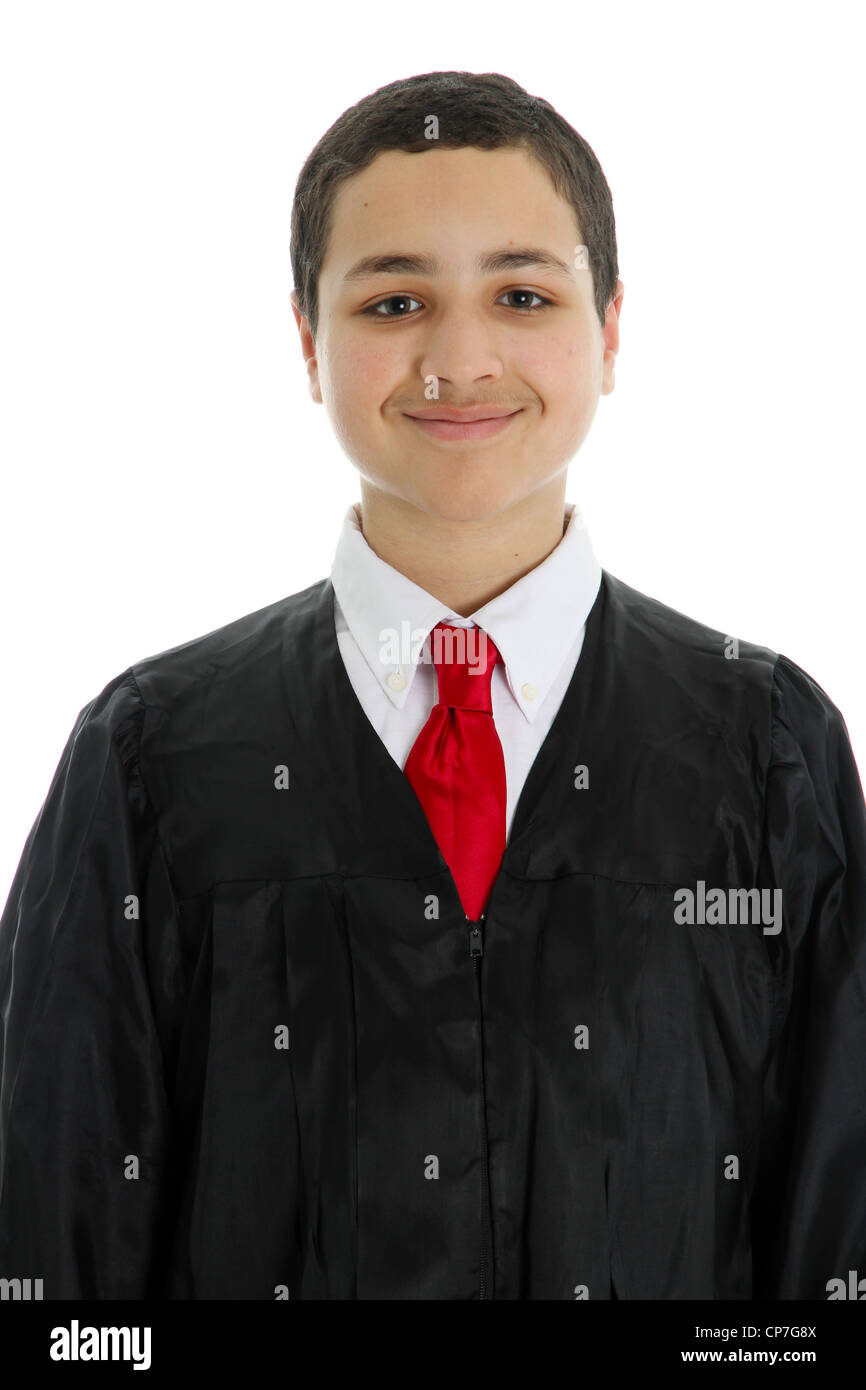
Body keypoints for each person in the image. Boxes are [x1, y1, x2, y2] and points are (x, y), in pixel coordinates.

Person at [1, 70, 864, 1301]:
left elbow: (835, 1233)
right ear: (308, 341)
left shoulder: (763, 751)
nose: (459, 359)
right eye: (395, 299)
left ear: (609, 330)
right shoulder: (151, 762)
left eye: (521, 294)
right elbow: (57, 1249)